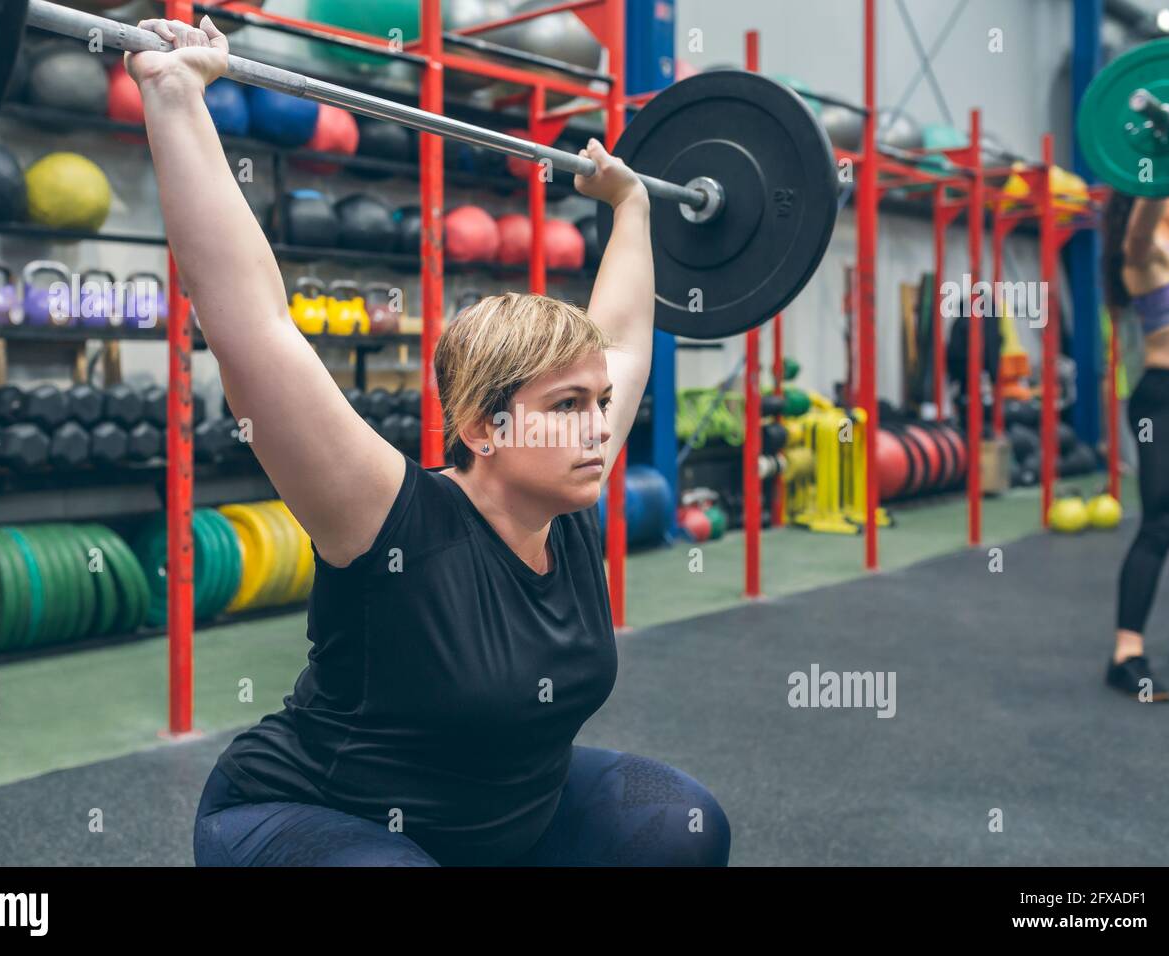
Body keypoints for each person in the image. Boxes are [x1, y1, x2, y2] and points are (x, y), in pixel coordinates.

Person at [122, 17, 730, 864]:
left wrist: (631, 205)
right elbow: (253, 327)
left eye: (601, 403)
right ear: (483, 427)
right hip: (319, 815)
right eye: (568, 405)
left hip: (506, 809)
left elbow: (624, 341)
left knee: (680, 827)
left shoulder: (567, 491)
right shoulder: (391, 519)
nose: (600, 425)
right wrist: (176, 93)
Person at [1101, 188, 1169, 701]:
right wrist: (1157, 168)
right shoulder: (1144, 255)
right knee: (1162, 520)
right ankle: (1125, 654)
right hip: (1168, 400)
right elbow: (1141, 227)